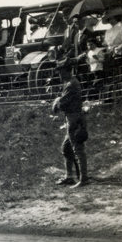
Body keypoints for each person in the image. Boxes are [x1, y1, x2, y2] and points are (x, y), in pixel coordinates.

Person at [51, 59, 89, 188]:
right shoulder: (68, 83)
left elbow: (60, 104)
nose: (59, 74)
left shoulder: (72, 84)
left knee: (78, 150)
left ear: (67, 70)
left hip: (75, 119)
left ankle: (83, 179)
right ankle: (69, 177)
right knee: (66, 149)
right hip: (71, 119)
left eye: (61, 71)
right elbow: (60, 103)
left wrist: (57, 102)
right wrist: (58, 101)